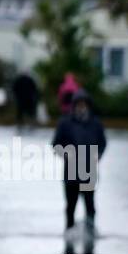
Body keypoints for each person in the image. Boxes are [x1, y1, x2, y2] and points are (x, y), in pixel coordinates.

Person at [52, 90, 107, 236]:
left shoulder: (96, 124)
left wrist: (98, 155)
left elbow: (102, 143)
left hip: (89, 172)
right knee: (71, 206)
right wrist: (66, 155)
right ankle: (69, 233)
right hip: (71, 174)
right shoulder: (65, 123)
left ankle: (90, 233)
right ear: (74, 106)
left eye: (84, 104)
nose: (81, 107)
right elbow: (56, 144)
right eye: (78, 104)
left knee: (90, 205)